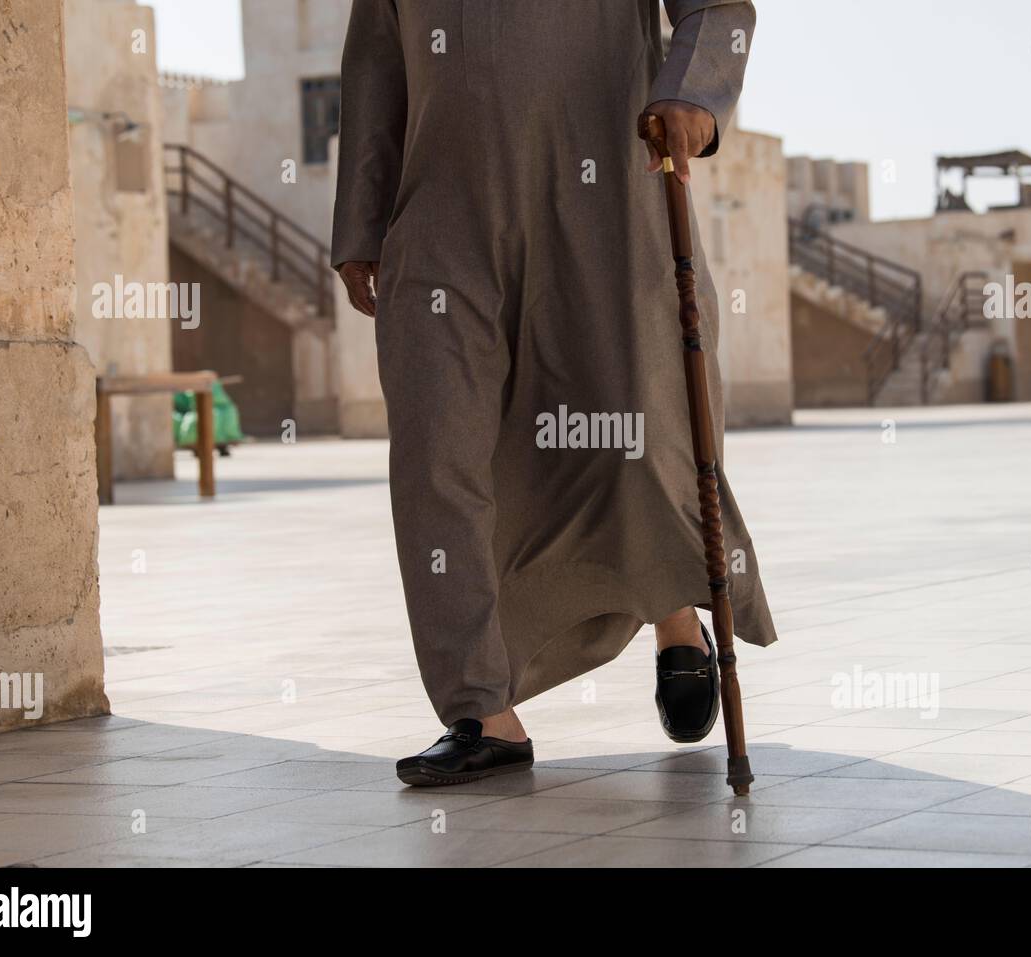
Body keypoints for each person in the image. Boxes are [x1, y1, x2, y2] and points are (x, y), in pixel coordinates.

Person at [332, 0, 777, 786]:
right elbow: (376, 62)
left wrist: (696, 95)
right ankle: (480, 708)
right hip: (440, 215)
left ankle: (674, 607)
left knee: (631, 436)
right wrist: (361, 221)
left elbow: (717, 8)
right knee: (437, 453)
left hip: (605, 190)